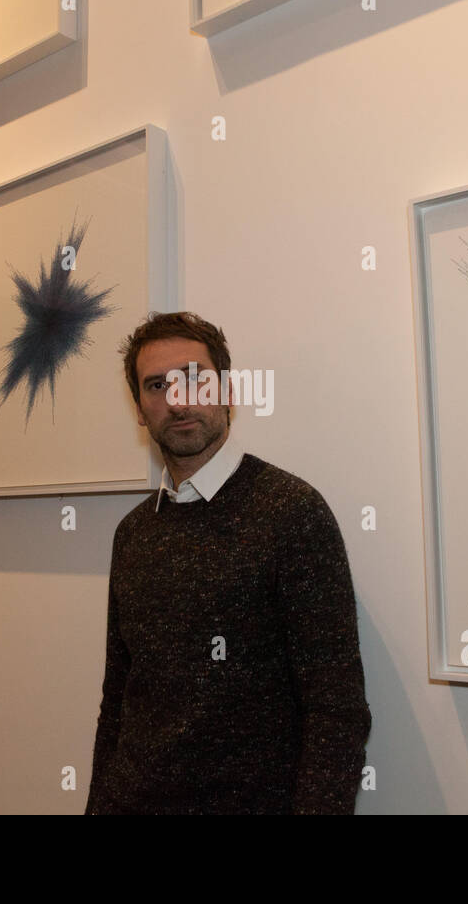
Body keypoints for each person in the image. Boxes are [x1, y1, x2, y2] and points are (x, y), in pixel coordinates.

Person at [85, 311, 371, 814]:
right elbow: (118, 701)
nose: (178, 399)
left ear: (227, 390)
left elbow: (336, 710)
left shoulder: (292, 512)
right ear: (138, 408)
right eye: (157, 385)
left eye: (194, 378)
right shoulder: (132, 533)